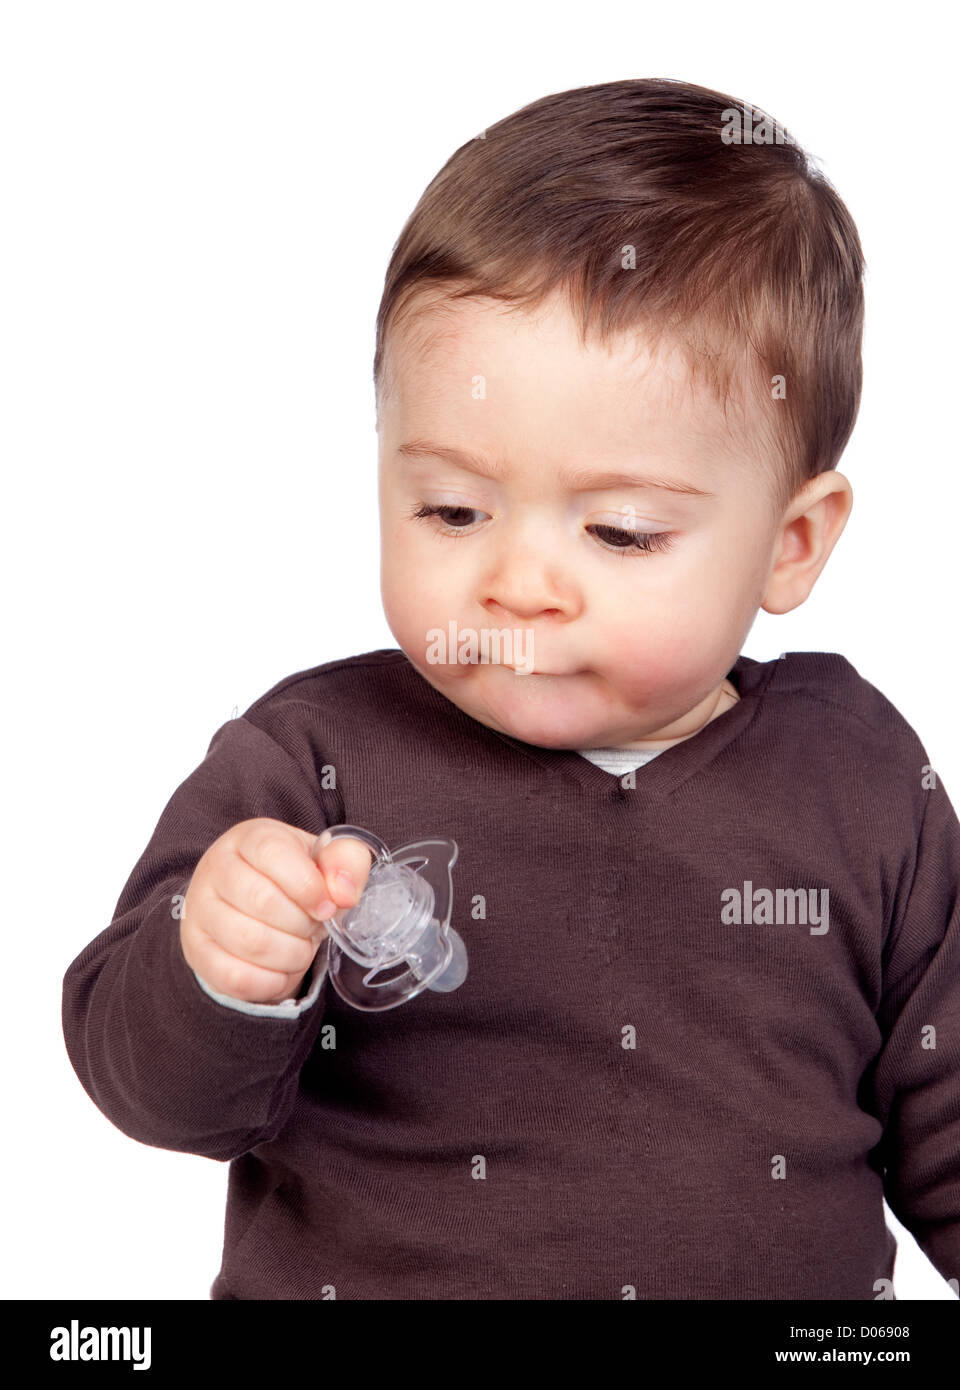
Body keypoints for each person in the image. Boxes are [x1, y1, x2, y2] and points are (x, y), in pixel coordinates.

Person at [62, 76, 960, 1300]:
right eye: (452, 509)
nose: (518, 583)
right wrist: (217, 965)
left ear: (790, 544)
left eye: (623, 531)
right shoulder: (314, 761)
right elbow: (150, 1086)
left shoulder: (861, 779)